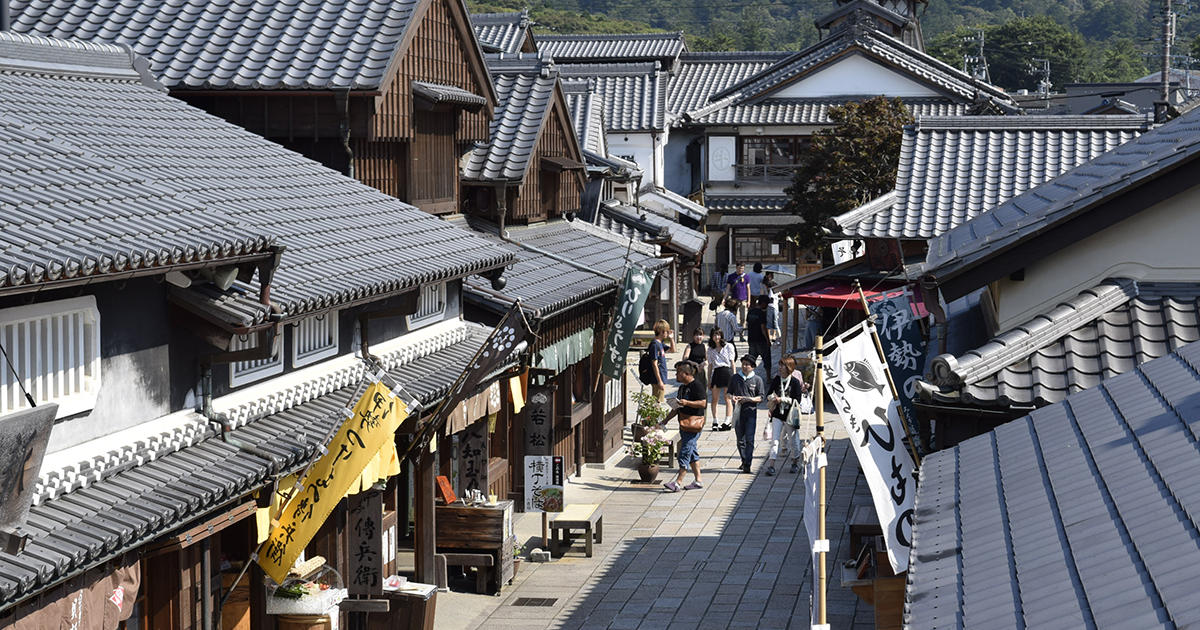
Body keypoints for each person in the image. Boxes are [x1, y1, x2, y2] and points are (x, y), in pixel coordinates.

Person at [663, 361, 707, 492]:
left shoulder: (697, 386)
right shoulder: (682, 388)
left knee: (684, 453)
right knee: (692, 453)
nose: (676, 375)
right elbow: (677, 407)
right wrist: (665, 420)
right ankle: (698, 481)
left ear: (686, 373)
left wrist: (687, 402)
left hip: (694, 424)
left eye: (678, 372)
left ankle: (677, 482)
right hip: (684, 423)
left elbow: (703, 403)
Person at [764, 356, 805, 476]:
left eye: (782, 366)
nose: (780, 368)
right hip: (777, 414)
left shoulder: (795, 382)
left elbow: (797, 400)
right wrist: (772, 399)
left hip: (790, 415)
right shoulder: (777, 379)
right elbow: (769, 394)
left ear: (789, 368)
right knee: (775, 440)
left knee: (793, 440)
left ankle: (795, 461)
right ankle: (771, 465)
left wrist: (782, 399)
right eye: (780, 365)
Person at [727, 355, 764, 473]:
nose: (745, 366)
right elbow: (728, 394)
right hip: (738, 412)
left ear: (753, 367)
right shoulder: (735, 378)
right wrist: (733, 398)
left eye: (747, 364)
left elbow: (761, 397)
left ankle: (748, 463)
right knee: (740, 440)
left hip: (751, 413)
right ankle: (744, 460)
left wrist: (749, 399)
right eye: (743, 364)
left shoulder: (757, 380)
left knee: (750, 439)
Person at [705, 328, 737, 431]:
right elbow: (710, 366)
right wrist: (708, 379)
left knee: (727, 397)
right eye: (714, 335)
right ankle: (715, 421)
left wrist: (735, 376)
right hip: (717, 372)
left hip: (727, 372)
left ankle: (727, 420)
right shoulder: (710, 349)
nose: (717, 337)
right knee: (714, 399)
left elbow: (732, 362)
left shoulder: (728, 346)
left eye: (718, 335)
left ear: (721, 336)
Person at [746, 295, 772, 383]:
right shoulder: (761, 313)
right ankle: (768, 378)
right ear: (763, 303)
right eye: (767, 304)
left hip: (751, 339)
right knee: (767, 360)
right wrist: (768, 340)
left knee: (751, 360)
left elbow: (748, 324)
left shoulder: (750, 312)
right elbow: (763, 328)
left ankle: (748, 376)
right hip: (761, 340)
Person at [648, 319, 672, 403]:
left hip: (662, 376)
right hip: (657, 379)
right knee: (657, 402)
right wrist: (659, 381)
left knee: (658, 401)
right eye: (666, 331)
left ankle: (654, 416)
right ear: (660, 331)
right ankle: (652, 417)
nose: (667, 333)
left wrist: (671, 339)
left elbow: (672, 350)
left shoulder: (660, 343)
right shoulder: (655, 344)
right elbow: (654, 363)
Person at [723, 263, 751, 329]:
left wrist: (749, 300)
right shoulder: (731, 276)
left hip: (743, 300)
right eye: (739, 268)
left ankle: (741, 335)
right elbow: (727, 288)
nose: (741, 270)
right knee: (733, 317)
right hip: (733, 300)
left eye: (742, 268)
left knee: (743, 318)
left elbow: (748, 288)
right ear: (736, 267)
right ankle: (732, 332)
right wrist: (724, 298)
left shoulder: (746, 276)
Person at [685, 327, 709, 392]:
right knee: (692, 390)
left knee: (703, 389)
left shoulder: (705, 346)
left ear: (703, 336)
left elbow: (708, 359)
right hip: (691, 370)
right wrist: (694, 364)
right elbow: (685, 358)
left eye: (700, 335)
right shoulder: (689, 346)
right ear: (693, 336)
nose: (698, 337)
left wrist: (704, 363)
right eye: (697, 335)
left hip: (701, 370)